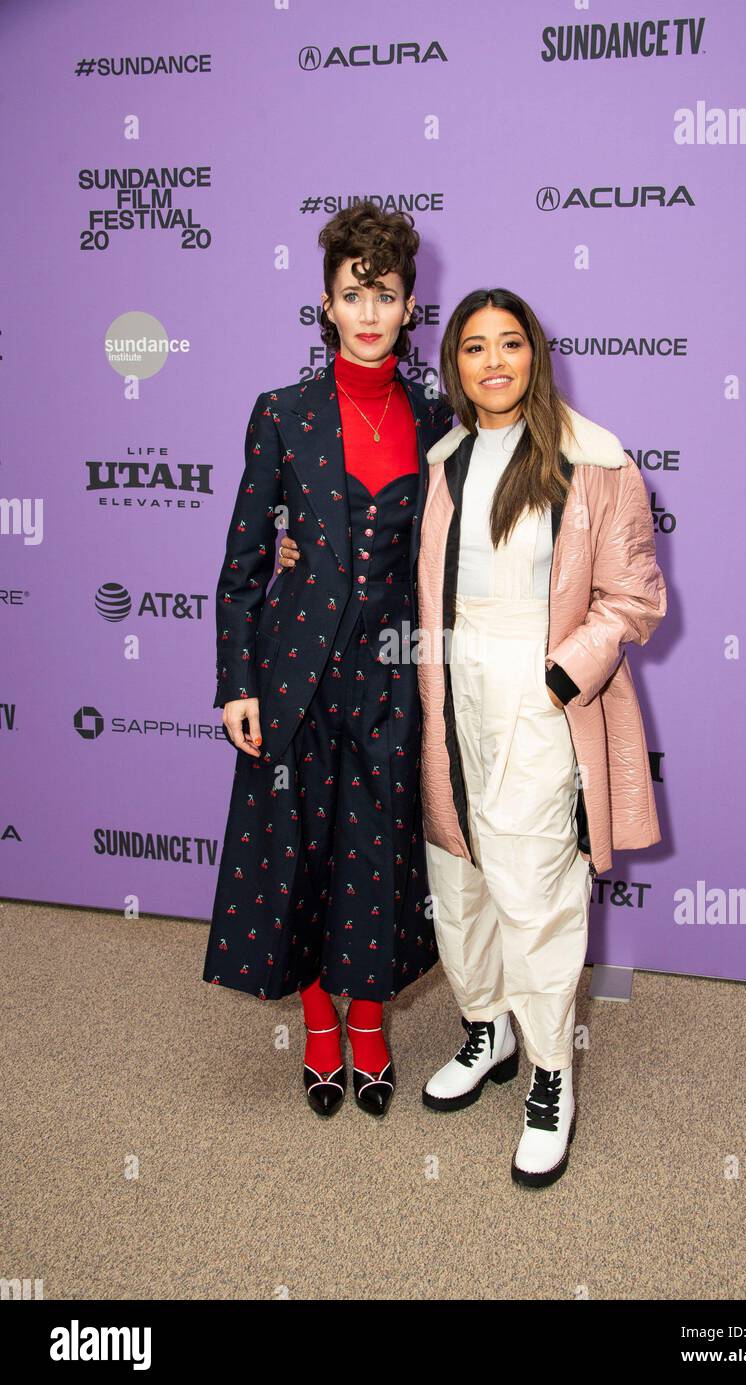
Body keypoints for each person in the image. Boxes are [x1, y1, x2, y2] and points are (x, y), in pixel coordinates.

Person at [280, 286, 666, 1187]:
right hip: (446, 695)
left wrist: (563, 672)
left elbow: (636, 596)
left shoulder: (596, 460)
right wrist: (299, 546)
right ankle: (485, 1030)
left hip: (540, 700)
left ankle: (549, 1077)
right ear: (453, 365)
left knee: (534, 889)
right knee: (458, 884)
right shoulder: (445, 458)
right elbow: (363, 538)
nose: (493, 362)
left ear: (535, 354)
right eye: (473, 349)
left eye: (510, 345)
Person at [203, 200, 453, 1120]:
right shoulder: (281, 414)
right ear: (326, 303)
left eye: (386, 294)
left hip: (393, 671)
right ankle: (318, 1024)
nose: (370, 311)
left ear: (409, 306)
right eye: (355, 294)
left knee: (379, 854)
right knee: (301, 852)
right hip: (294, 669)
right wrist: (237, 681)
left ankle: (374, 1022)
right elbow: (240, 566)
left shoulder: (438, 422)